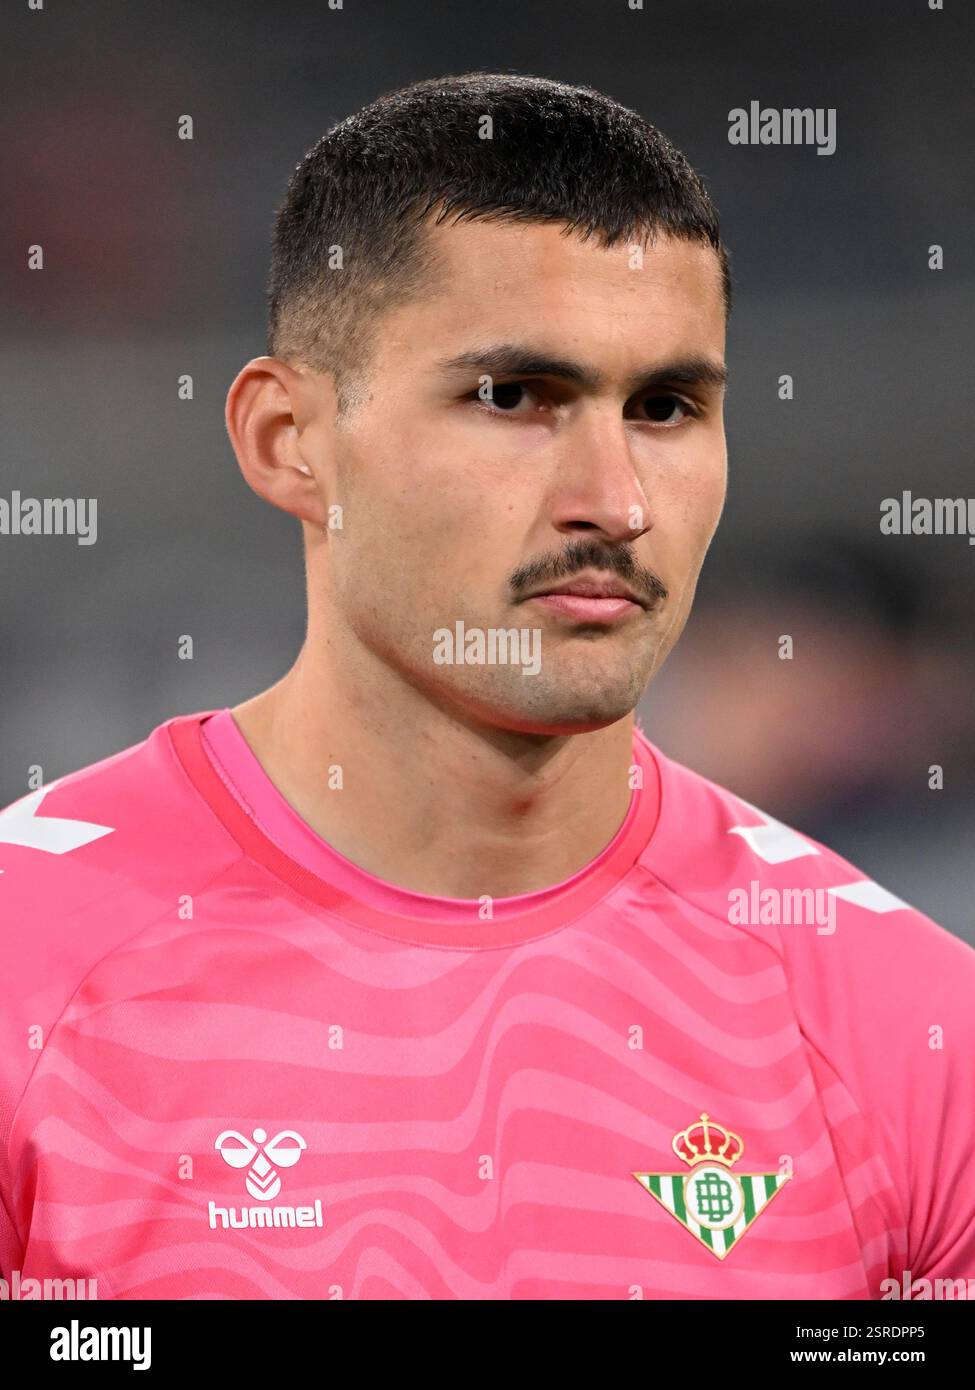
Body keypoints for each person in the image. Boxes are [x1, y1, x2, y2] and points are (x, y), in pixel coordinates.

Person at [1, 72, 972, 1302]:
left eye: (668, 406)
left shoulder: (915, 1032)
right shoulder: (23, 972)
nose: (616, 501)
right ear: (288, 440)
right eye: (514, 397)